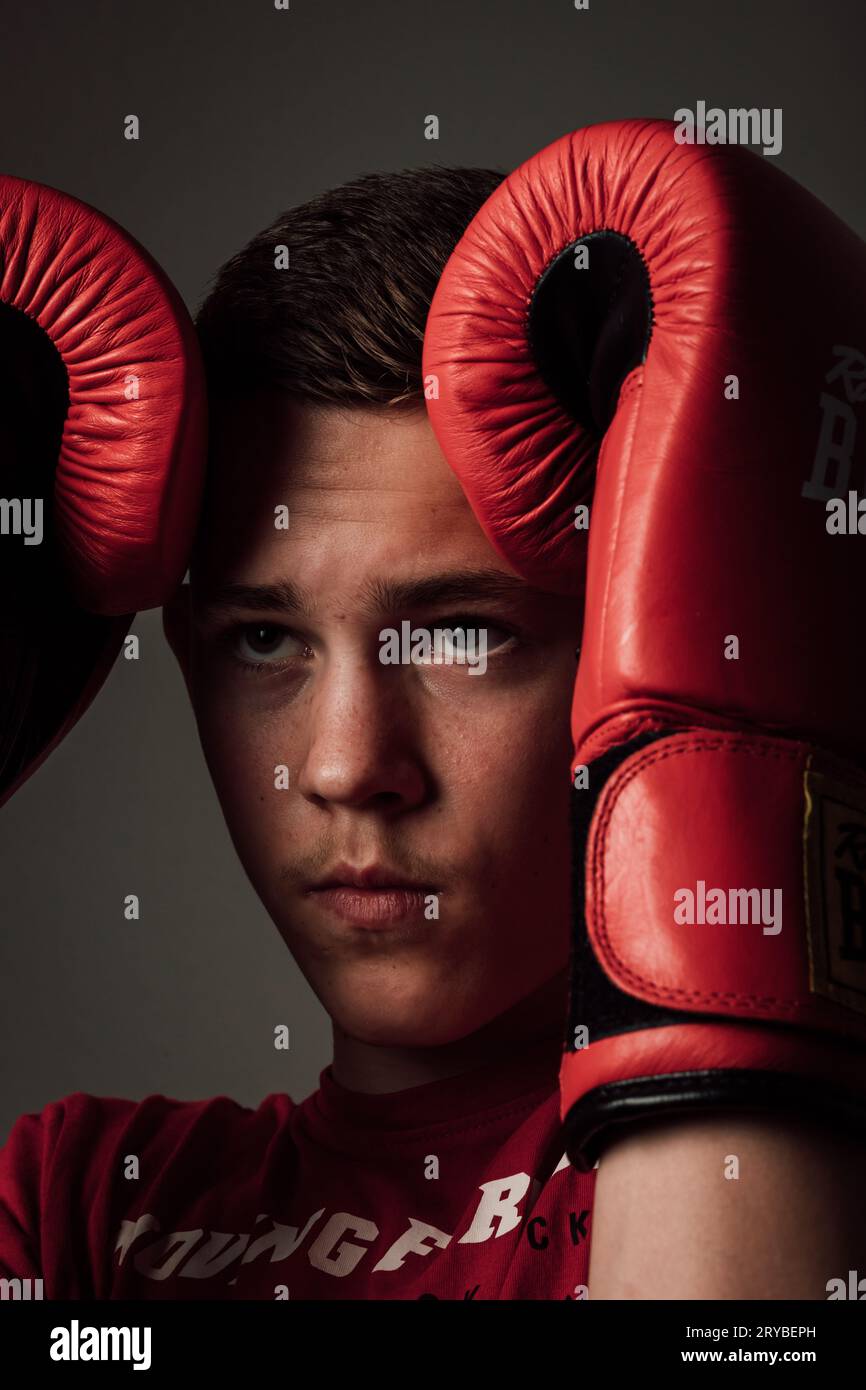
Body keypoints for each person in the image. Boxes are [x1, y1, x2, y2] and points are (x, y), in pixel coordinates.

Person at [2, 120, 865, 1302]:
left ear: (635, 640)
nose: (349, 764)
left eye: (460, 633)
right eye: (266, 639)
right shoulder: (79, 1204)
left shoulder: (808, 1185)